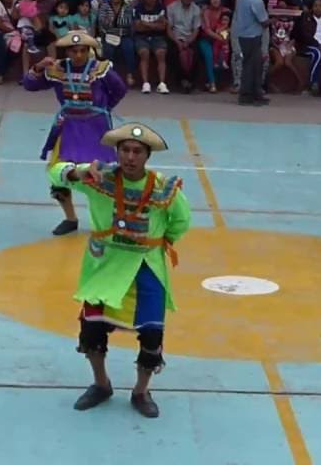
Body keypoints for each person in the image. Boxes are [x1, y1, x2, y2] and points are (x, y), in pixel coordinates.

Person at [48, 123, 191, 419]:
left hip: (146, 268)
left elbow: (181, 220)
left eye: (137, 151)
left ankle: (141, 391)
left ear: (147, 156)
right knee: (91, 328)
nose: (130, 157)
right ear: (117, 152)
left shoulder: (164, 187)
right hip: (104, 267)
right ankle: (101, 384)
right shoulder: (99, 178)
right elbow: (55, 171)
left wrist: (157, 243)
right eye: (125, 150)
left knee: (151, 334)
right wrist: (81, 171)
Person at [23, 31, 128, 236]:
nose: (78, 55)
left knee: (105, 175)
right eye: (74, 50)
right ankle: (70, 218)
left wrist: (103, 108)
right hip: (69, 128)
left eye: (83, 50)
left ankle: (112, 218)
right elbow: (29, 85)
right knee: (59, 173)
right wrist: (37, 67)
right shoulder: (58, 69)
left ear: (89, 51)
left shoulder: (101, 69)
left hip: (97, 130)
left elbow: (120, 89)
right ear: (68, 51)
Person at [233, 0, 270, 105]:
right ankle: (247, 95)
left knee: (251, 64)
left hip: (242, 34)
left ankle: (254, 93)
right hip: (253, 36)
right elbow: (263, 21)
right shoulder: (256, 0)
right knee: (252, 66)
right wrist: (274, 19)